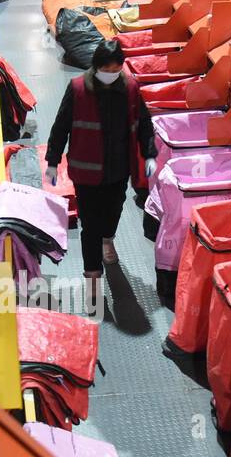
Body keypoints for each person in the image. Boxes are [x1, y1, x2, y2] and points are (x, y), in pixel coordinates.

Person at [45, 39, 157, 304]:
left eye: (116, 70)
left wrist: (149, 153)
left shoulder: (130, 88)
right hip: (86, 173)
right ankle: (92, 275)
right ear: (96, 67)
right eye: (107, 69)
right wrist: (52, 161)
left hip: (118, 170)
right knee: (90, 226)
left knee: (113, 212)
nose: (111, 75)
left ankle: (109, 239)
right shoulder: (78, 89)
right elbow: (61, 127)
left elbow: (144, 123)